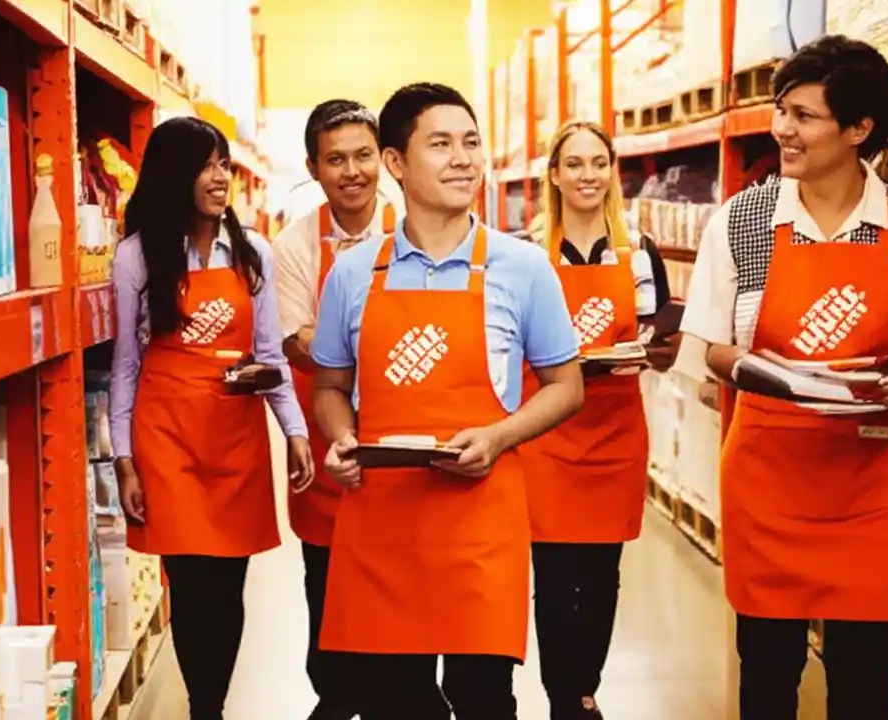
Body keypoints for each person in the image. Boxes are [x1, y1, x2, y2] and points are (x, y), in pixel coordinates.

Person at [680, 36, 888, 719]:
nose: (783, 128)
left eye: (804, 115)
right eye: (782, 110)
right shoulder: (742, 223)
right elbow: (712, 348)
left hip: (869, 483)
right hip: (767, 480)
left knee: (864, 675)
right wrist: (770, 374)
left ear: (859, 128)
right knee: (768, 668)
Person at [310, 82, 585, 719]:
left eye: (471, 142)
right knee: (394, 701)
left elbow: (566, 386)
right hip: (383, 527)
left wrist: (499, 436)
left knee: (484, 698)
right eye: (441, 144)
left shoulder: (522, 268)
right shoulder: (354, 274)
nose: (464, 159)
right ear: (395, 164)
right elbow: (329, 387)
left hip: (480, 525)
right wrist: (341, 437)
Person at [108, 117, 314, 720]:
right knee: (192, 585)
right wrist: (124, 459)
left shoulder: (254, 254)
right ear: (176, 174)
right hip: (166, 436)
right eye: (206, 164)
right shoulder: (136, 257)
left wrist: (295, 430)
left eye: (224, 163)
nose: (220, 176)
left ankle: (212, 701)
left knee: (228, 586)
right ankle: (206, 710)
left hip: (235, 438)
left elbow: (272, 356)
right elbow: (126, 366)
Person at [518, 120, 678, 720]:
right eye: (575, 164)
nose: (588, 175)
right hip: (547, 433)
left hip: (615, 431)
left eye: (599, 163)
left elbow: (659, 339)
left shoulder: (639, 251)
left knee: (603, 573)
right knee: (555, 578)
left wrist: (659, 350)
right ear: (554, 175)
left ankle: (585, 687)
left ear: (612, 171)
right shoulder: (529, 253)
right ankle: (568, 698)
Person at [272, 98, 396, 720]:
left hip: (406, 446)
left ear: (386, 159)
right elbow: (298, 341)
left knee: (400, 599)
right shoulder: (293, 246)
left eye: (364, 155)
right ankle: (335, 694)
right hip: (329, 440)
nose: (352, 171)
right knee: (325, 585)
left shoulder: (415, 228)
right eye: (336, 159)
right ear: (313, 169)